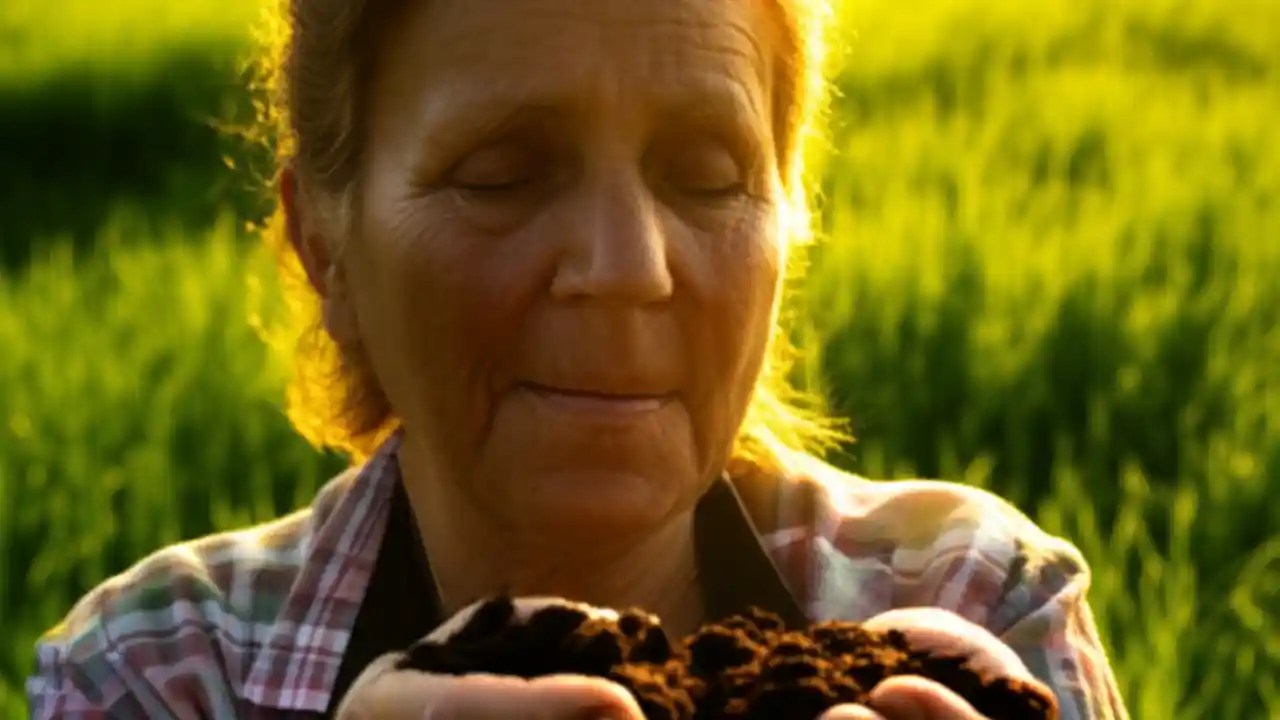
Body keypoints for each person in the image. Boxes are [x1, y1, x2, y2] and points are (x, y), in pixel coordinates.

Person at [27, 0, 1130, 718]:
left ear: (792, 222)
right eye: (502, 172)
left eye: (705, 174)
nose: (626, 265)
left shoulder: (976, 606)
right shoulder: (156, 674)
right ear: (325, 246)